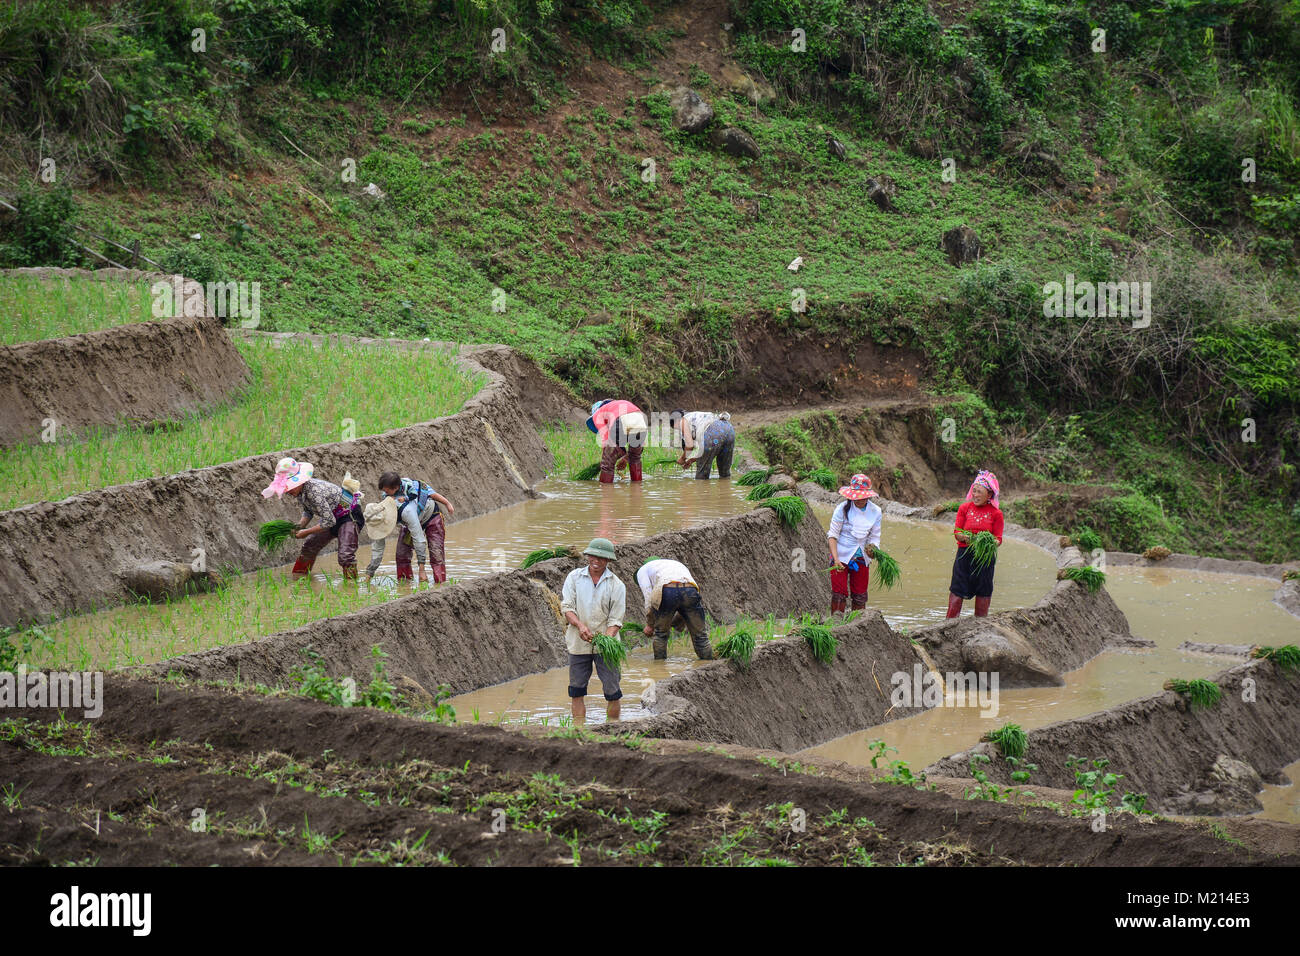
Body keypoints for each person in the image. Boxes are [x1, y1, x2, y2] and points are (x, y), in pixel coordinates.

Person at [560, 538, 627, 723]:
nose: (596, 561)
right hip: (578, 643)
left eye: (602, 558)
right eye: (593, 556)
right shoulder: (574, 578)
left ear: (608, 561)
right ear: (587, 556)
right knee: (576, 690)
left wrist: (606, 638)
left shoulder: (616, 585)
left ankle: (613, 729)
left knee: (613, 692)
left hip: (607, 645)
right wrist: (580, 626)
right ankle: (579, 730)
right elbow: (567, 607)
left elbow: (616, 619)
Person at [263, 457, 363, 579]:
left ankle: (352, 587)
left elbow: (329, 521)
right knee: (310, 545)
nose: (288, 491)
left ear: (300, 481)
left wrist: (306, 532)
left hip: (348, 515)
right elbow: (308, 511)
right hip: (332, 514)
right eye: (286, 488)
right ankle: (299, 578)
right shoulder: (299, 492)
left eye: (289, 487)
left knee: (346, 555)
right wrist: (299, 526)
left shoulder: (314, 492)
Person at [363, 472, 455, 583]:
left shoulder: (407, 510)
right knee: (402, 554)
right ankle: (404, 585)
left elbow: (419, 540)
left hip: (431, 517)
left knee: (436, 553)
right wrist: (369, 574)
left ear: (396, 487)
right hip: (409, 522)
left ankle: (440, 585)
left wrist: (422, 570)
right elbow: (378, 547)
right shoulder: (382, 511)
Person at [947, 469, 1004, 618]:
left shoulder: (996, 514)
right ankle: (950, 621)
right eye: (974, 491)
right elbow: (957, 532)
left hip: (984, 557)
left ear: (989, 495)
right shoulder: (964, 508)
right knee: (957, 587)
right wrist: (966, 538)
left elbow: (998, 539)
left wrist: (989, 542)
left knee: (983, 588)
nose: (975, 495)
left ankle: (981, 622)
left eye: (980, 492)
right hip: (964, 555)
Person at [826, 473, 882, 618]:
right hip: (841, 555)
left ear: (868, 496)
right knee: (839, 594)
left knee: (860, 595)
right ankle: (836, 624)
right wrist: (836, 559)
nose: (860, 500)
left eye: (863, 497)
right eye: (857, 497)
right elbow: (833, 535)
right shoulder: (842, 509)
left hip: (861, 557)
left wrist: (873, 549)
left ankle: (857, 624)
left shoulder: (876, 511)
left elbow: (875, 536)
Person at [635, 556, 713, 660]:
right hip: (690, 591)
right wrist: (681, 619)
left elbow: (649, 598)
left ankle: (659, 669)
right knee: (701, 636)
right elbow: (692, 593)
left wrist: (650, 624)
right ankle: (708, 663)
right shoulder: (675, 565)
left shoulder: (642, 570)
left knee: (660, 635)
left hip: (667, 589)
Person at [588, 399, 649, 483]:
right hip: (641, 419)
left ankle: (605, 490)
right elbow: (641, 445)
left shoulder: (598, 414)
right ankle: (637, 487)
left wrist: (605, 459)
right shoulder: (617, 405)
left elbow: (605, 439)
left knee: (607, 465)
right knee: (635, 458)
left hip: (621, 419)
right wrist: (625, 458)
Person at [672, 409, 735, 479]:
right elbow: (704, 451)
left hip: (713, 432)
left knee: (701, 479)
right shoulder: (697, 418)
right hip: (729, 429)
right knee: (725, 475)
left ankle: (702, 489)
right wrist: (691, 460)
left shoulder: (682, 421)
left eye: (676, 428)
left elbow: (690, 446)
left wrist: (682, 459)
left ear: (676, 421)